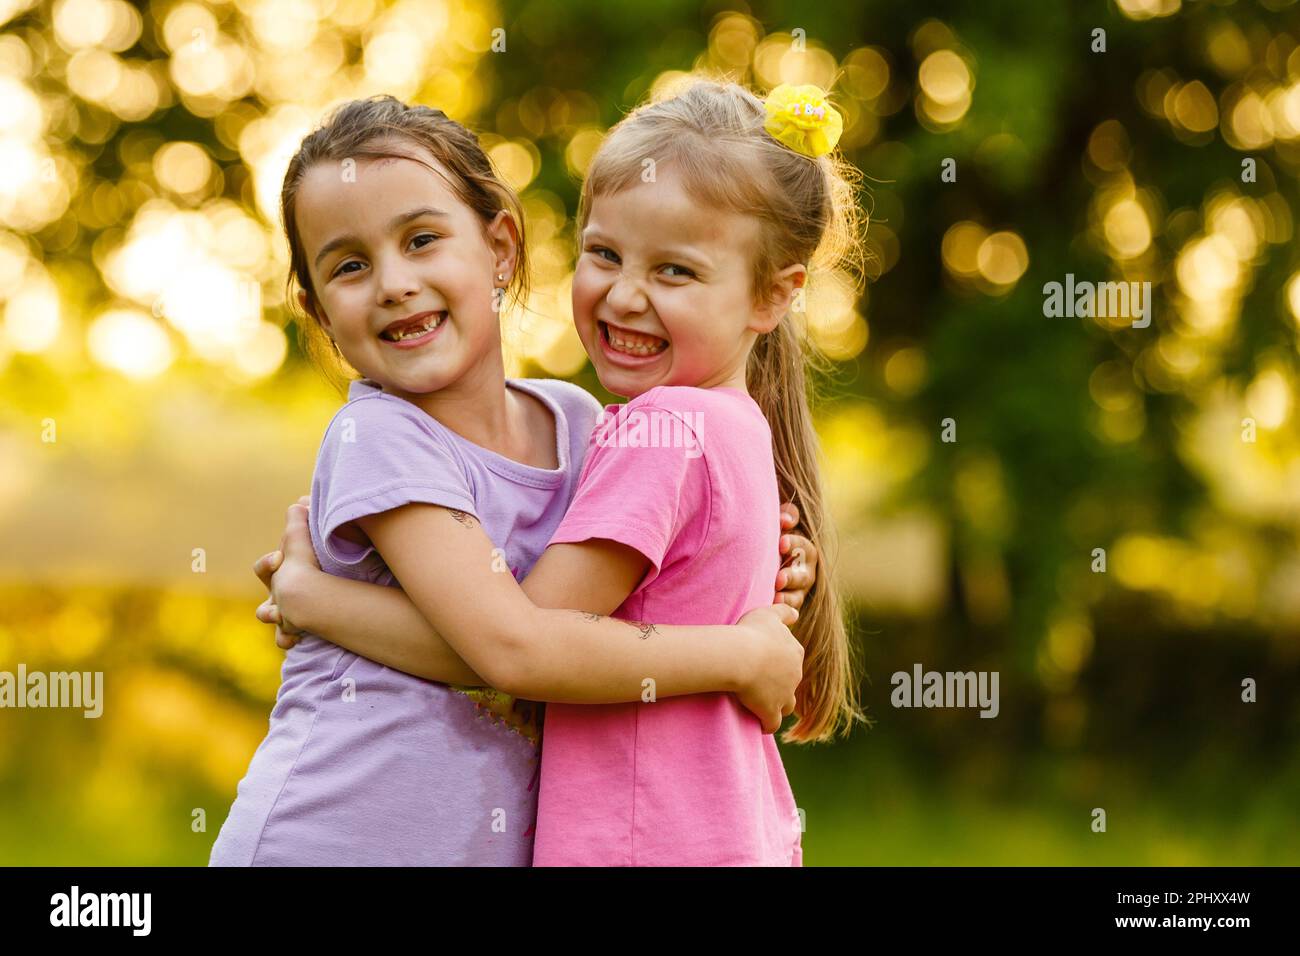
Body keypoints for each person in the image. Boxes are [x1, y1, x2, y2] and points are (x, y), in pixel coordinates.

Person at [210, 95, 814, 867]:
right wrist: (738, 653)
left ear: (500, 245)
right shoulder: (383, 438)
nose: (393, 282)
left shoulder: (579, 423)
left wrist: (766, 565)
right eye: (350, 265)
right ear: (317, 309)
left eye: (422, 239)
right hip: (337, 840)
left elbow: (599, 607)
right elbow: (513, 647)